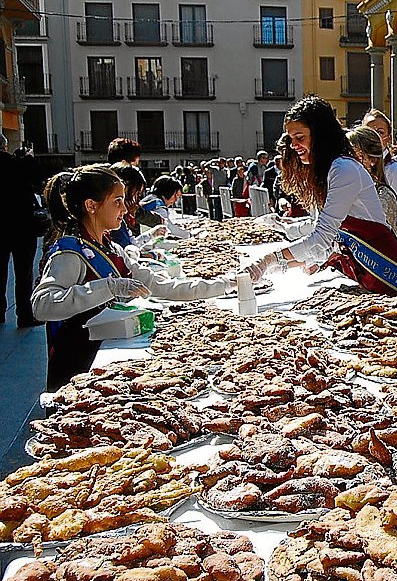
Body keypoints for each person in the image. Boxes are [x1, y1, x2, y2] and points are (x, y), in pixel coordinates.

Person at [32, 166, 237, 390]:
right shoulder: (70, 253)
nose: (125, 208)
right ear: (91, 206)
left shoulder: (110, 247)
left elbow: (162, 287)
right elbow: (42, 305)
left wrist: (226, 285)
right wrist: (107, 287)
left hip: (105, 355)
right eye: (117, 202)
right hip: (77, 363)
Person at [245, 96, 397, 309]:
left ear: (319, 134)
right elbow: (331, 241)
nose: (294, 145)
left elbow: (322, 237)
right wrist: (290, 264)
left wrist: (269, 259)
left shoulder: (344, 170)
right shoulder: (330, 170)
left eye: (299, 137)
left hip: (386, 268)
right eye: (291, 139)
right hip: (363, 268)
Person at [0, 135, 42, 327]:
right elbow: (37, 180)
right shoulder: (18, 164)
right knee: (24, 273)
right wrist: (28, 158)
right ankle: (24, 315)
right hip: (22, 225)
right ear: (4, 146)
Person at [362, 109, 397, 231]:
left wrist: (383, 227)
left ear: (388, 137)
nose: (374, 137)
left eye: (380, 132)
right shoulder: (355, 169)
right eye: (368, 132)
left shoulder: (395, 171)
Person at [347, 126, 397, 232]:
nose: (348, 161)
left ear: (372, 160)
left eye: (356, 156)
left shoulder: (383, 195)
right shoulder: (348, 187)